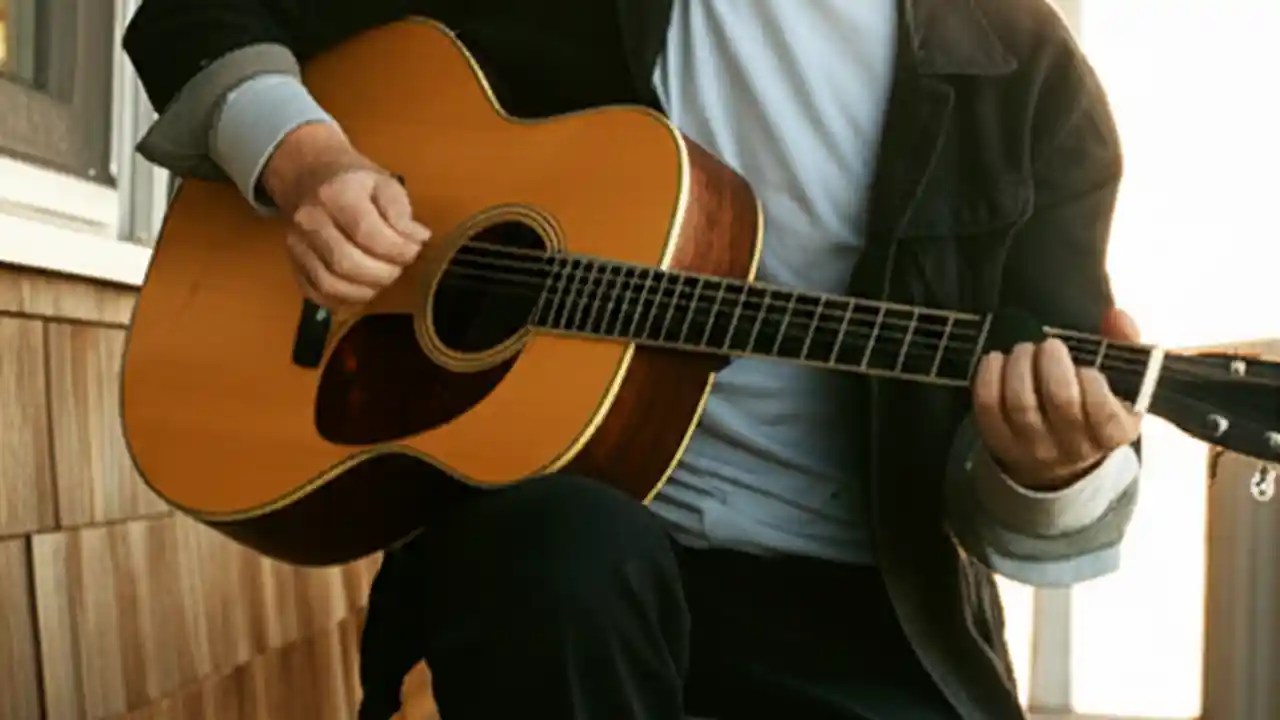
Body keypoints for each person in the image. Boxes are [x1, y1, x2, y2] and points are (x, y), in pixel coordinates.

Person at [123, 1, 1144, 718]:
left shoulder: (1026, 77)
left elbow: (1026, 453)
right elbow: (196, 13)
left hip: (864, 611)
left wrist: (1045, 466)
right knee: (558, 552)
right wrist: (307, 163)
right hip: (558, 570)